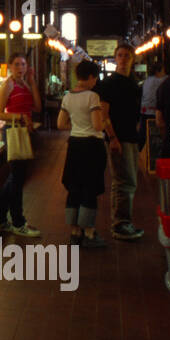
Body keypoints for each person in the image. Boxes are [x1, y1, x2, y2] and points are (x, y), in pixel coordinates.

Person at [95, 43, 144, 240]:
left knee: (125, 181)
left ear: (133, 59)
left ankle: (122, 222)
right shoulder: (109, 83)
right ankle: (121, 224)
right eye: (120, 55)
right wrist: (112, 137)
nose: (123, 59)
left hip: (131, 136)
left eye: (127, 56)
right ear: (116, 58)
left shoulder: (132, 82)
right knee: (125, 181)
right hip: (119, 138)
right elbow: (103, 112)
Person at [58, 59, 108, 247]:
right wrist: (104, 124)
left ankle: (74, 232)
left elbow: (60, 124)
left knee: (74, 187)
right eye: (95, 78)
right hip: (92, 146)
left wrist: (77, 125)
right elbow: (97, 125)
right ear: (91, 77)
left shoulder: (67, 97)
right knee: (90, 187)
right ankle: (89, 232)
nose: (95, 82)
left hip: (75, 145)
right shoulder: (92, 97)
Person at [0, 52, 42, 238]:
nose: (21, 68)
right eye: (17, 64)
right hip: (13, 131)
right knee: (17, 179)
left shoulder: (25, 84)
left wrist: (33, 82)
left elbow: (37, 107)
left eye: (23, 64)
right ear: (10, 67)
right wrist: (19, 116)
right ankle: (18, 222)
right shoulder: (8, 85)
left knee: (15, 178)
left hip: (24, 131)